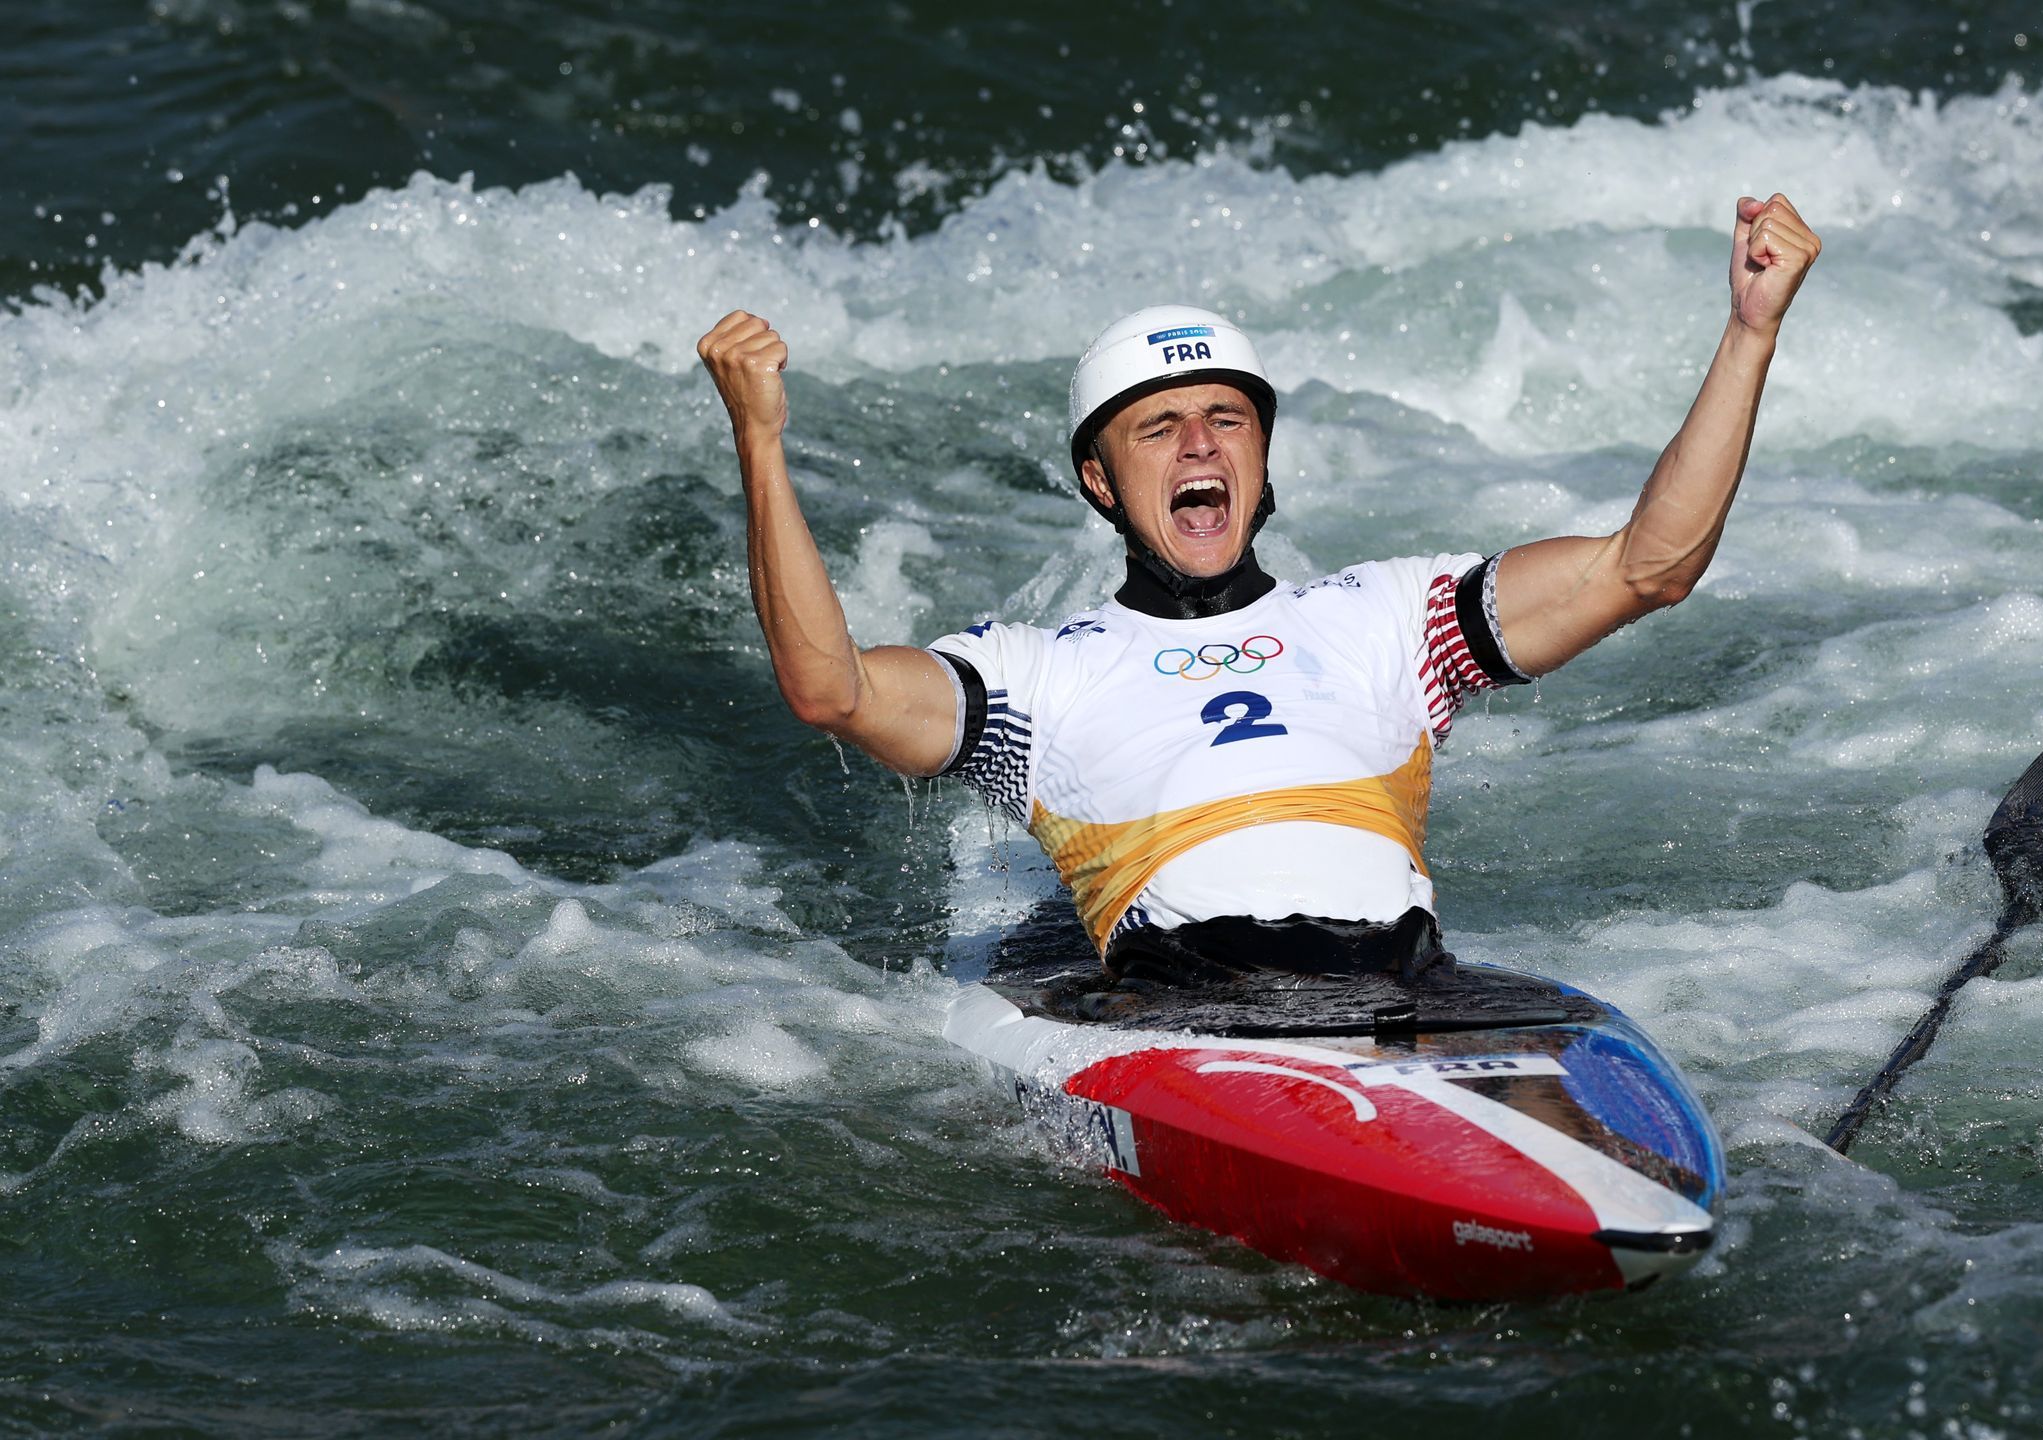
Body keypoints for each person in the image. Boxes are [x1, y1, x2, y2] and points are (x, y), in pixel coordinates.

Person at [698, 195, 1820, 985]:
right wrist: (761, 436)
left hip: (1403, 990)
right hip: (1182, 1006)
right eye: (1160, 427)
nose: (1199, 443)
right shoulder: (1034, 680)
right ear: (1100, 478)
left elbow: (1648, 567)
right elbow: (829, 690)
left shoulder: (1394, 619)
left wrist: (1749, 331)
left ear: (1261, 456)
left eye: (1227, 419)